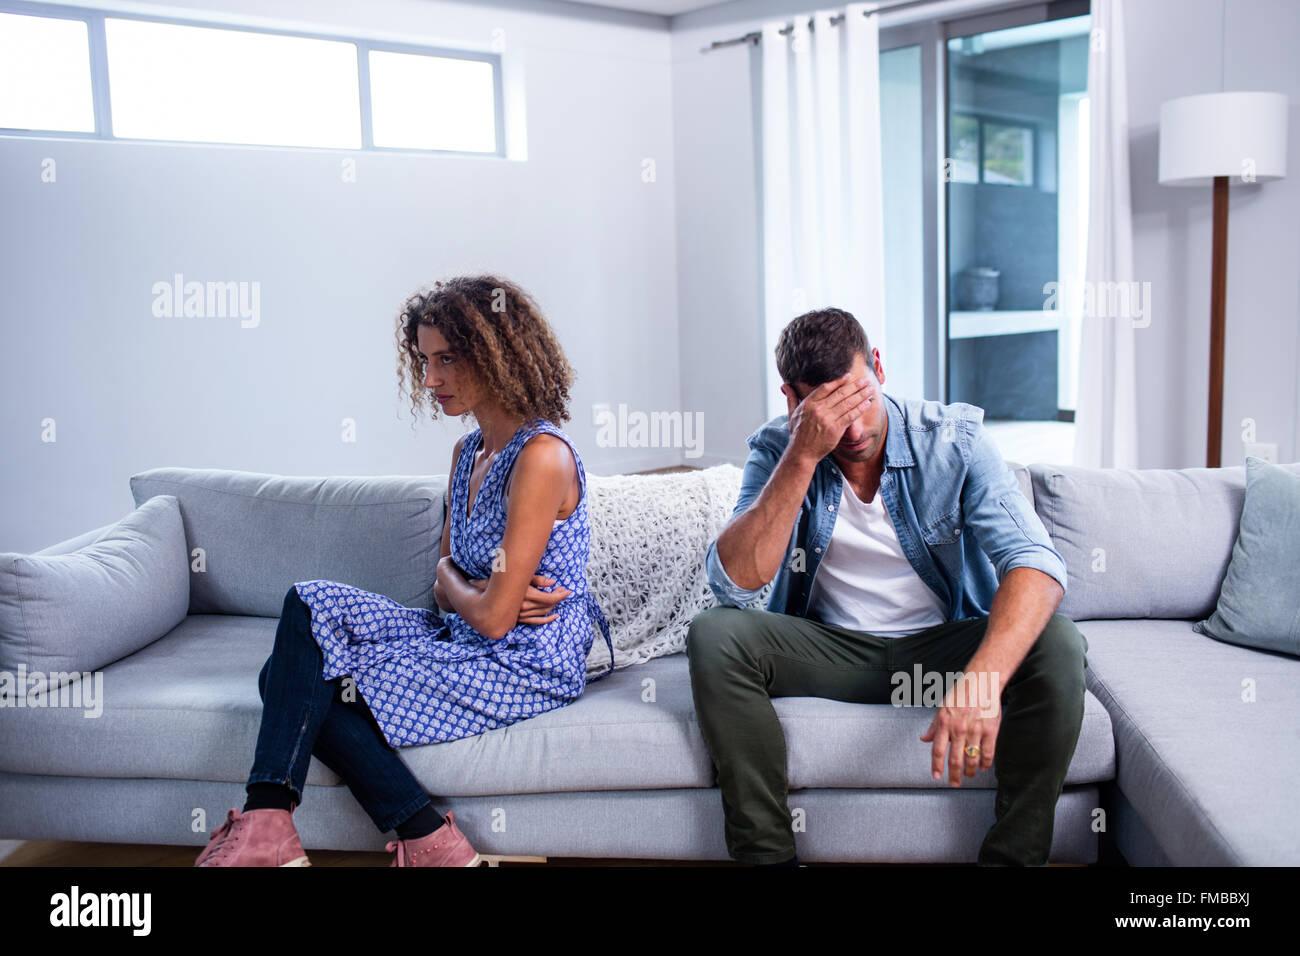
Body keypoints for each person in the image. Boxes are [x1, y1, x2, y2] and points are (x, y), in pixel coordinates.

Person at [195, 275, 614, 867]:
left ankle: (316, 832)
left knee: (288, 680)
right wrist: (463, 586)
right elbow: (447, 586)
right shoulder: (467, 453)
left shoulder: (542, 457)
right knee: (307, 606)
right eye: (424, 360)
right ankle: (336, 831)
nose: (430, 379)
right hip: (462, 634)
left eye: (447, 359)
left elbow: (496, 620)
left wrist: (466, 589)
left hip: (526, 659)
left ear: (498, 355)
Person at [686, 307, 1088, 867]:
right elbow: (733, 585)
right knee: (714, 634)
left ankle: (1012, 860)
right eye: (831, 415)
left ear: (877, 366)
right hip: (831, 653)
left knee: (1058, 642)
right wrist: (803, 453)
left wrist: (983, 681)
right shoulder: (779, 449)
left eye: (861, 401)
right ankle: (769, 859)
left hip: (941, 650)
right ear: (793, 401)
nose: (853, 433)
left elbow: (1035, 564)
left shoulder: (953, 440)